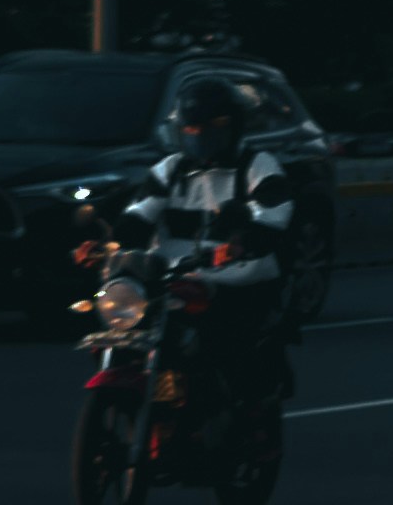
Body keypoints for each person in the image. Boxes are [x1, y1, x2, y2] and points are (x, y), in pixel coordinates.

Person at [111, 77, 298, 413]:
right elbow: (140, 215)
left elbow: (272, 215)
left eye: (211, 128)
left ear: (232, 128)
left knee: (233, 352)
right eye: (193, 129)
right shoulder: (170, 169)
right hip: (175, 277)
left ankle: (248, 418)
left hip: (237, 277)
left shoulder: (257, 165)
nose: (201, 137)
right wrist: (109, 243)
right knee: (125, 328)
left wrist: (242, 243)